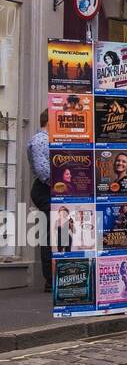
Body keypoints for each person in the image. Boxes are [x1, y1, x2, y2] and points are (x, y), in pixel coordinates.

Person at [26, 109, 52, 292]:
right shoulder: (41, 140)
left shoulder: (46, 139)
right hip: (46, 190)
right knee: (51, 234)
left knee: (58, 232)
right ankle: (50, 280)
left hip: (50, 189)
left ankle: (55, 277)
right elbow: (44, 172)